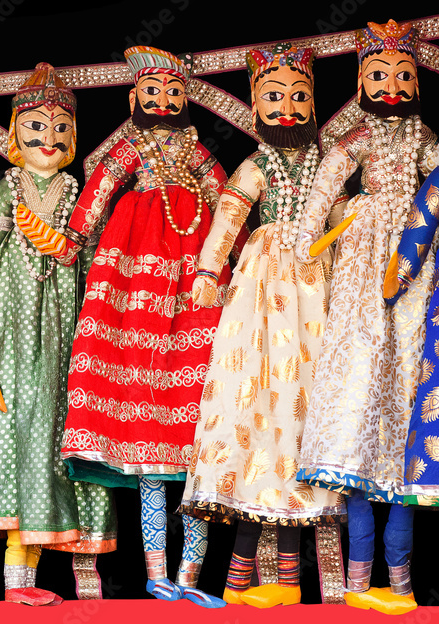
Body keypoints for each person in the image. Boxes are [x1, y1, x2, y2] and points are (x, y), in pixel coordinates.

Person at [30, 47, 232, 607]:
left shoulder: (196, 152)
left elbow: (229, 199)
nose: (164, 103)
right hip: (135, 273)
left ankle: (191, 575)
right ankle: (156, 573)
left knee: (194, 450)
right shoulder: (131, 148)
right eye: (153, 93)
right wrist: (72, 237)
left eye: (174, 93)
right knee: (146, 450)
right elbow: (98, 188)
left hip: (195, 269)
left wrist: (241, 251)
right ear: (132, 99)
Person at [179, 44, 347, 608]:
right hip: (261, 287)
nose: (288, 109)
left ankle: (290, 585)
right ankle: (238, 579)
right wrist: (207, 268)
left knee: (303, 406)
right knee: (254, 405)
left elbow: (344, 224)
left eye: (299, 97)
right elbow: (228, 217)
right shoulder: (256, 165)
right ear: (255, 105)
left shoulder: (327, 166)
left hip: (316, 285)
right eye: (274, 98)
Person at [294, 20, 439, 616]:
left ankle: (398, 583)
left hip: (416, 260)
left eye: (404, 74)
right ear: (359, 81)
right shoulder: (353, 138)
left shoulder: (425, 137)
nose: (392, 85)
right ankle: (358, 584)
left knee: (405, 389)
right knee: (359, 384)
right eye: (378, 75)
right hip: (361, 260)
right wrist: (308, 241)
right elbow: (323, 188)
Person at [0, 63, 117, 606]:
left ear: (72, 137)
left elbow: (93, 253)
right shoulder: (7, 188)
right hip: (7, 316)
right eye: (34, 128)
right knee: (15, 418)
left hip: (65, 313)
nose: (46, 140)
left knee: (66, 422)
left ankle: (82, 574)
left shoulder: (79, 189)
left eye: (58, 129)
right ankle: (16, 579)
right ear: (13, 134)